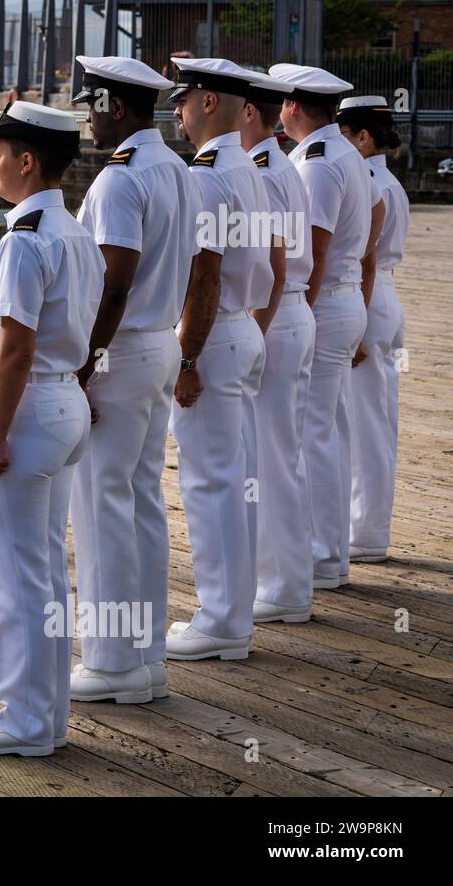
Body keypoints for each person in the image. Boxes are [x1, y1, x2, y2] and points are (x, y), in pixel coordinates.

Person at [0, 101, 103, 756]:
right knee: (43, 573)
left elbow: (14, 346)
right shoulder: (74, 233)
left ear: (27, 161)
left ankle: (25, 721)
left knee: (18, 579)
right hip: (65, 400)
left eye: (1, 152)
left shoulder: (24, 241)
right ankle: (46, 715)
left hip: (29, 409)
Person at [67, 55, 196, 703]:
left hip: (117, 353)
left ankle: (112, 660)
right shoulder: (174, 166)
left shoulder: (119, 180)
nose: (86, 118)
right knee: (142, 501)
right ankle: (144, 658)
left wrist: (83, 363)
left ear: (115, 107)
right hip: (158, 345)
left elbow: (113, 283)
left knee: (100, 505)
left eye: (91, 103)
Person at [166, 58, 274, 662]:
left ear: (209, 102)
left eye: (183, 100)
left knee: (211, 484)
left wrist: (186, 359)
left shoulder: (207, 176)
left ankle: (222, 621)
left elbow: (204, 274)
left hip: (212, 336)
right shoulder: (248, 165)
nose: (177, 112)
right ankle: (233, 610)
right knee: (238, 480)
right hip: (240, 331)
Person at [270, 63, 383, 591]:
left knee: (310, 436)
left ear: (292, 106)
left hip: (322, 306)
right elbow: (367, 237)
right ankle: (332, 555)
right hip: (343, 303)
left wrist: (302, 319)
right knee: (329, 433)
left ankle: (319, 557)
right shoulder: (345, 153)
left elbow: (311, 254)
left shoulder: (314, 163)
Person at [240, 72, 317, 624]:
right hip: (290, 312)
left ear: (247, 115)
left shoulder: (262, 172)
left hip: (272, 315)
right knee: (281, 455)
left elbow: (274, 259)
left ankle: (283, 584)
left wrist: (253, 334)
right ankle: (288, 580)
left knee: (269, 458)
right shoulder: (280, 164)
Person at [338, 96, 408, 563]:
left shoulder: (367, 182)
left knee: (364, 423)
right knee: (379, 420)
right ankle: (368, 530)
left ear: (362, 137)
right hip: (385, 295)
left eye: (346, 136)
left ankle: (364, 535)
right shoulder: (391, 183)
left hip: (368, 293)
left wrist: (356, 326)